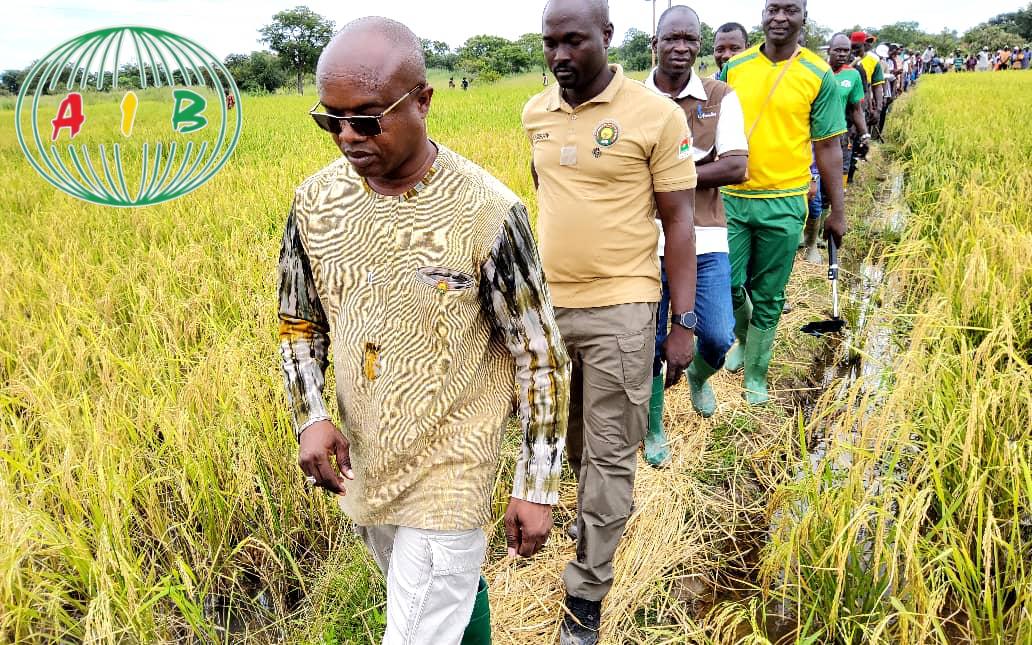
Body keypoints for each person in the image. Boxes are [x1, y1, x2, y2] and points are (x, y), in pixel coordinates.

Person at [280, 17, 571, 645]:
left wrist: (537, 483)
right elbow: (300, 320)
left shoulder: (488, 211)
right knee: (440, 596)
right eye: (330, 121)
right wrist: (310, 413)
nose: (348, 138)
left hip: (453, 466)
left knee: (415, 633)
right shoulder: (316, 202)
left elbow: (540, 354)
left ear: (423, 100)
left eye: (366, 118)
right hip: (370, 455)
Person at [523, 1, 699, 641]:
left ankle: (586, 595)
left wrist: (683, 320)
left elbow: (678, 221)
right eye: (550, 43)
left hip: (622, 305)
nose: (561, 56)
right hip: (544, 307)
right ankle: (586, 515)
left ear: (608, 36)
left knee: (609, 452)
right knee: (568, 440)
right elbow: (548, 198)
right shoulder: (535, 112)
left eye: (574, 41)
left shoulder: (656, 115)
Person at [718, 0, 847, 405]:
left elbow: (828, 145)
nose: (779, 18)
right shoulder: (735, 68)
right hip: (732, 199)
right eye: (772, 8)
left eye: (789, 10)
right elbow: (708, 124)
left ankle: (756, 372)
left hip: (786, 201)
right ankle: (743, 338)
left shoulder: (817, 73)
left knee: (770, 292)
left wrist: (837, 211)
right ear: (762, 14)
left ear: (803, 17)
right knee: (729, 284)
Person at [645, 5, 747, 427]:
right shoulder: (633, 99)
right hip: (644, 242)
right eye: (672, 38)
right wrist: (696, 174)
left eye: (689, 39)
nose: (680, 47)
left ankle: (699, 378)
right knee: (649, 343)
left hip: (705, 237)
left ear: (699, 47)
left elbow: (736, 167)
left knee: (718, 336)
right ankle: (653, 427)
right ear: (655, 44)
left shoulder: (720, 98)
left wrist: (668, 179)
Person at [802, 32, 868, 264]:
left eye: (846, 50)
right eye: (837, 50)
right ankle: (808, 237)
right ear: (828, 50)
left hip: (837, 139)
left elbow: (857, 108)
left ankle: (815, 238)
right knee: (810, 194)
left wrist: (864, 134)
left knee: (828, 189)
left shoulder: (853, 75)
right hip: (809, 141)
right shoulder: (816, 71)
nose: (841, 54)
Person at [851, 32, 884, 135]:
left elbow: (877, 86)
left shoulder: (873, 62)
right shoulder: (844, 60)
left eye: (857, 47)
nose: (854, 50)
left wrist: (878, 109)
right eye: (852, 47)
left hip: (863, 107)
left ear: (864, 45)